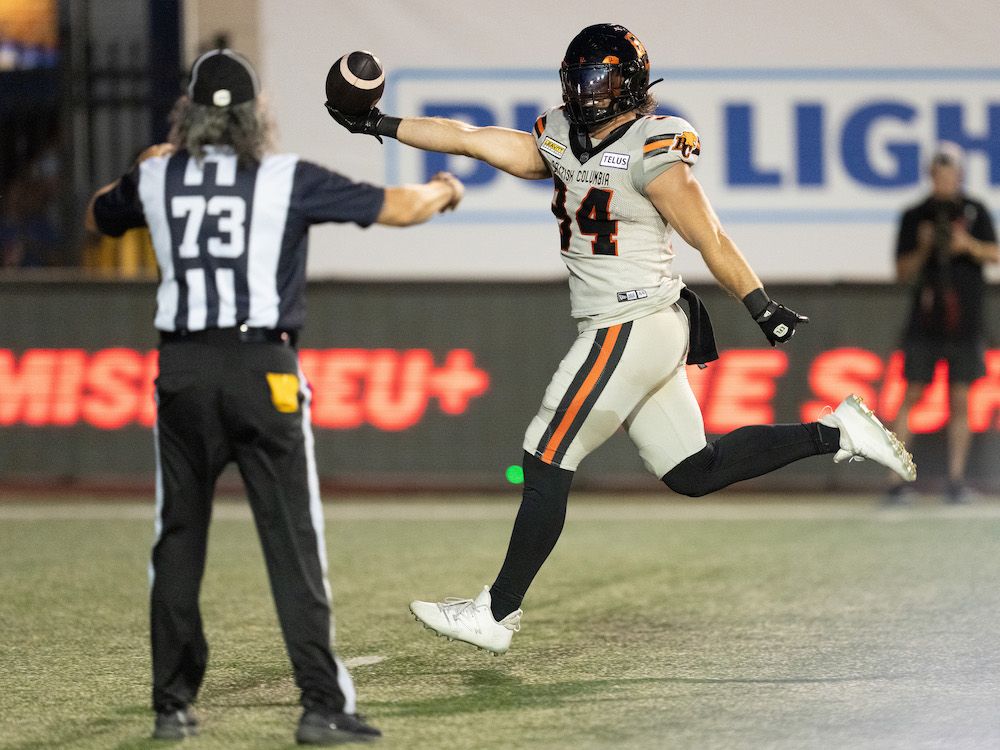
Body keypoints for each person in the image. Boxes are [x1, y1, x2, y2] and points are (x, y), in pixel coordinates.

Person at [327, 23, 915, 655]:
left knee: (547, 451)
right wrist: (380, 124)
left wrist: (760, 305)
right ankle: (838, 433)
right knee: (693, 470)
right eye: (578, 80)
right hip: (644, 326)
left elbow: (708, 235)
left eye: (601, 80)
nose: (587, 93)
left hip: (629, 321)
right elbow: (474, 140)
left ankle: (494, 612)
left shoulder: (651, 146)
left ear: (631, 84)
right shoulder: (557, 136)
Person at [86, 49, 463, 744]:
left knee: (179, 537)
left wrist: (154, 158)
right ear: (258, 116)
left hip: (184, 368)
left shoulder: (158, 175)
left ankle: (171, 704)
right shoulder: (285, 177)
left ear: (189, 114)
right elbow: (401, 209)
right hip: (263, 366)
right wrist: (443, 191)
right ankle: (321, 704)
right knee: (293, 543)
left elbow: (100, 215)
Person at [887, 143, 998, 504]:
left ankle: (955, 480)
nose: (945, 180)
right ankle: (897, 480)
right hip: (926, 320)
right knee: (912, 394)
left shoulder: (975, 211)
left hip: (965, 321)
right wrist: (924, 248)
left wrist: (969, 246)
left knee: (961, 399)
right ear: (930, 176)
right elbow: (902, 273)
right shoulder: (916, 215)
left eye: (950, 174)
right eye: (939, 174)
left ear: (960, 175)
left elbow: (995, 253)